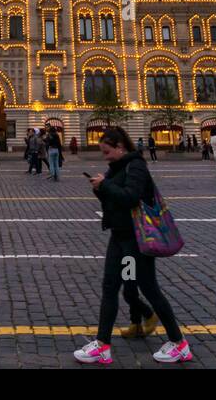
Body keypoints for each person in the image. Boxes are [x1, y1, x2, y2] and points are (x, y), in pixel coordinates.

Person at [74, 127, 191, 365]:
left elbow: (130, 196)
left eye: (107, 151)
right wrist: (100, 189)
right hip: (119, 238)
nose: (105, 156)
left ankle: (179, 344)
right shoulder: (116, 167)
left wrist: (105, 185)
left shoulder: (135, 166)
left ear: (120, 146)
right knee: (110, 286)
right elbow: (114, 200)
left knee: (148, 288)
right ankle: (102, 345)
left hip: (136, 241)